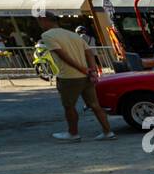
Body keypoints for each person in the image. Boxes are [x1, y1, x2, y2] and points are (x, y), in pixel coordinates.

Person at [38, 12, 116, 142]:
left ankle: (73, 133)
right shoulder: (73, 34)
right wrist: (92, 71)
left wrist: (83, 69)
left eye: (39, 21)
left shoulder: (47, 35)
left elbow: (63, 56)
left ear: (44, 20)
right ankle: (108, 131)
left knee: (69, 106)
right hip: (86, 75)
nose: (39, 25)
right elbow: (89, 53)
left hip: (69, 76)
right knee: (95, 105)